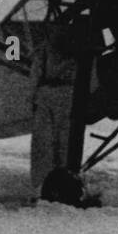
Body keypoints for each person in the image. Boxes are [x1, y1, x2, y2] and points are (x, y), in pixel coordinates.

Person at [29, 24, 79, 196]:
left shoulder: (45, 47)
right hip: (69, 94)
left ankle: (43, 186)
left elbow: (36, 72)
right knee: (64, 142)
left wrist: (33, 96)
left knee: (44, 142)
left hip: (48, 93)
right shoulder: (80, 45)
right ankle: (65, 184)